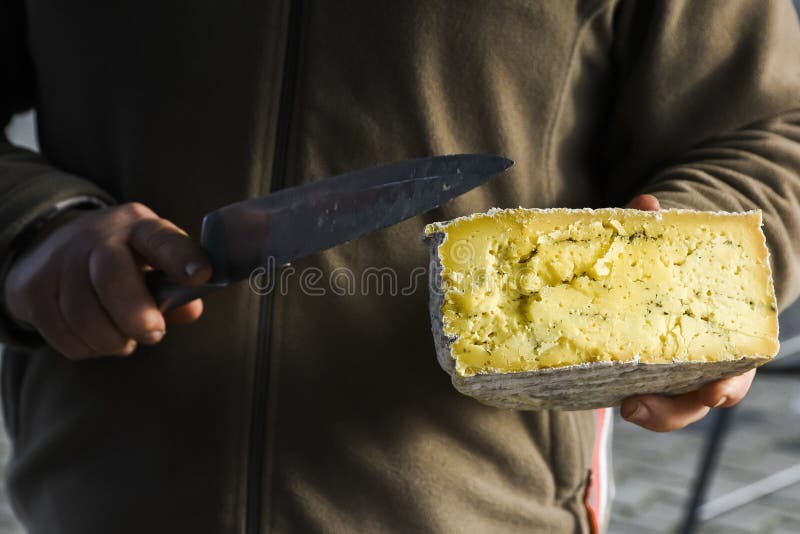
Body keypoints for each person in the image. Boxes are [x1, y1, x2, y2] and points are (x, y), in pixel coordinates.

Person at [1, 0, 799, 532]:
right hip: (101, 494)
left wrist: (685, 277)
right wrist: (32, 225)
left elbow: (768, 133)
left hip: (486, 505)